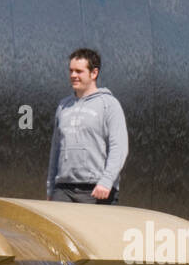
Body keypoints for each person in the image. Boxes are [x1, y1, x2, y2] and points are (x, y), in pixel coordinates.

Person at [46, 48, 128, 204]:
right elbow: (55, 149)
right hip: (63, 189)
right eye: (71, 71)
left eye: (79, 71)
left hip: (96, 190)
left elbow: (119, 147)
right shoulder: (63, 106)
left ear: (94, 73)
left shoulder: (109, 105)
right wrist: (51, 186)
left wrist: (107, 181)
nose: (73, 75)